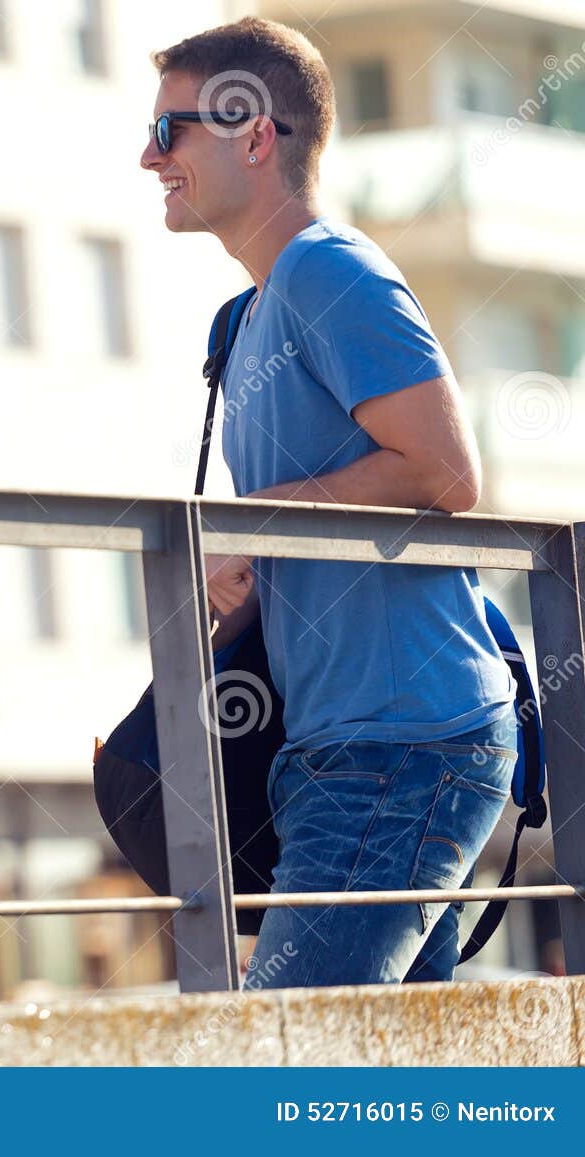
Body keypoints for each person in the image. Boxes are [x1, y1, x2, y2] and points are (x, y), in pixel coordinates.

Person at [140, 18, 516, 986]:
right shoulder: (252, 313)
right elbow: (337, 510)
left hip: (398, 747)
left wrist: (249, 524)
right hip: (344, 747)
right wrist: (251, 568)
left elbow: (442, 472)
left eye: (171, 131)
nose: (149, 157)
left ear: (254, 135)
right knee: (394, 1088)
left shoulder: (328, 269)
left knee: (280, 1055)